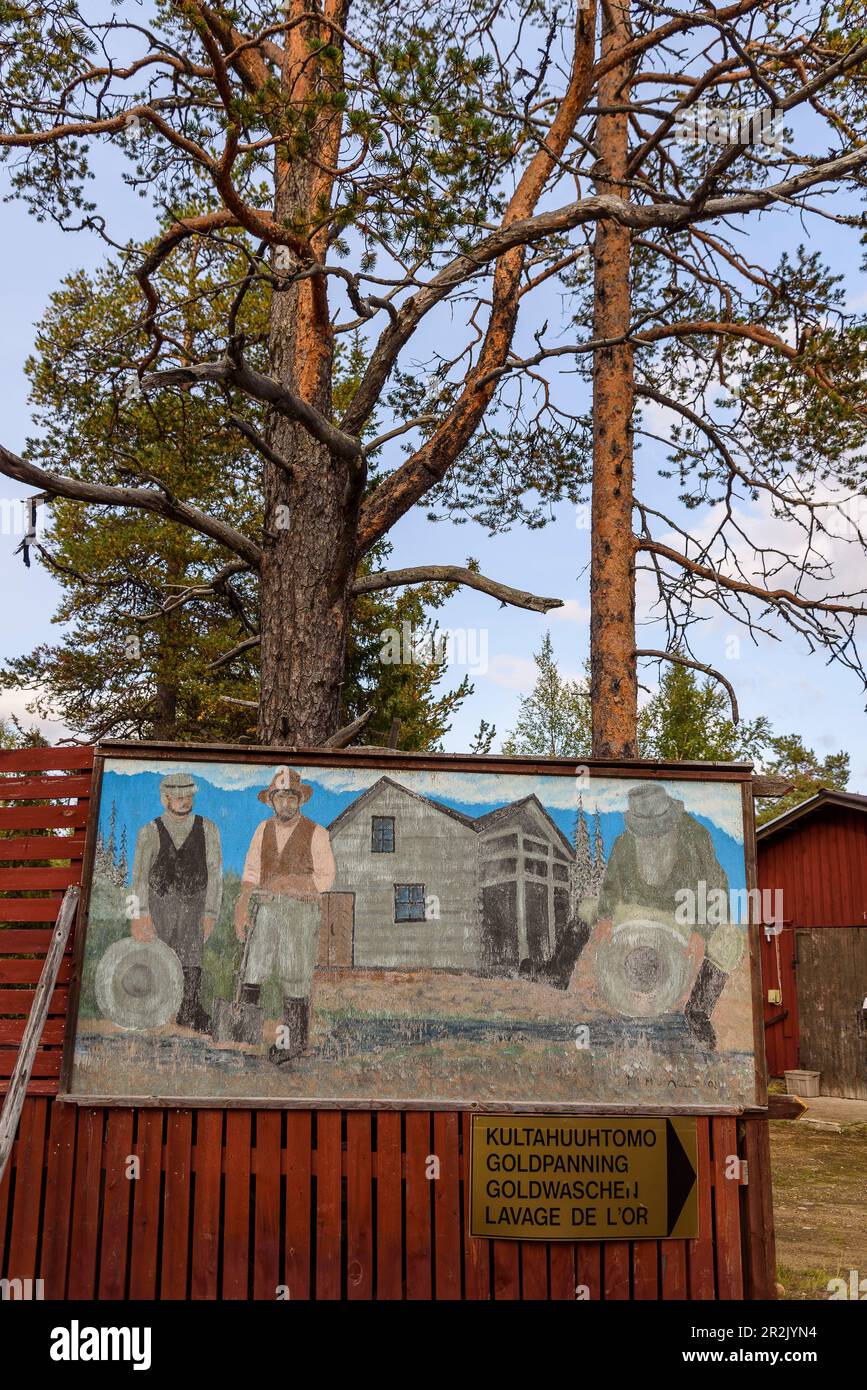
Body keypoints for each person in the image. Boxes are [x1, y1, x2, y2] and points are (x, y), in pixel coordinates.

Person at [594, 783, 744, 1048]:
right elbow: (610, 887)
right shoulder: (623, 843)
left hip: (684, 918)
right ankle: (556, 971)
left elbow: (716, 885)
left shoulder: (696, 836)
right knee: (584, 909)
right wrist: (605, 917)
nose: (650, 838)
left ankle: (698, 1011)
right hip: (635, 914)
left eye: (656, 830)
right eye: (644, 832)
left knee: (729, 938)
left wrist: (704, 931)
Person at [234, 767, 335, 1065]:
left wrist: (291, 884)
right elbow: (251, 871)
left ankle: (294, 1044)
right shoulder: (262, 830)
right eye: (281, 798)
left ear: (300, 800)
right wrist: (242, 904)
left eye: (292, 798)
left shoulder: (317, 833)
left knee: (294, 974)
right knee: (254, 966)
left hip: (300, 912)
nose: (286, 804)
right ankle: (244, 1035)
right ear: (272, 800)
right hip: (266, 909)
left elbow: (326, 878)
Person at [130, 771, 222, 1032]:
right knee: (158, 957)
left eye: (188, 796)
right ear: (165, 799)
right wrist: (139, 915)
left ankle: (189, 1011)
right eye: (178, 797)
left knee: (192, 958)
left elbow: (215, 874)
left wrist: (211, 912)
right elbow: (138, 878)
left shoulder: (208, 829)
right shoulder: (149, 831)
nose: (184, 801)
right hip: (159, 905)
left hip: (195, 905)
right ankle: (153, 1010)